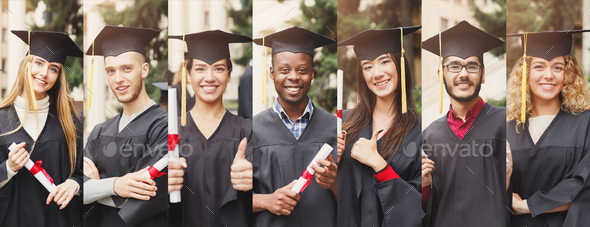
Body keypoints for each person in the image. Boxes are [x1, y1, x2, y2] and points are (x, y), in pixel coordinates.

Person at [421, 20, 507, 227]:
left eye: (472, 66)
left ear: (483, 74)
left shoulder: (506, 124)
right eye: (454, 66)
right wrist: (424, 186)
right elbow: (424, 207)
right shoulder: (429, 135)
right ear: (441, 75)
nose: (463, 74)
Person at [249, 26, 338, 226]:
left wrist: (335, 183)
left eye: (302, 70)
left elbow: (358, 201)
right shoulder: (252, 130)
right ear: (271, 73)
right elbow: (232, 200)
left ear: (312, 74)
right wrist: (266, 201)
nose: (294, 77)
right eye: (284, 70)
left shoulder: (335, 128)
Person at [336, 26, 422, 227]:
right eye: (368, 66)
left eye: (385, 62)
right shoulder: (343, 124)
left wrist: (378, 164)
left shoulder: (420, 130)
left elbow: (421, 204)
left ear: (400, 65)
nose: (377, 73)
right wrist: (333, 164)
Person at [82, 26, 168, 227]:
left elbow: (145, 196)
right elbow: (79, 188)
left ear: (144, 69)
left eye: (126, 68)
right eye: (111, 71)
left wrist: (96, 187)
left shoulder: (165, 127)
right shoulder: (98, 132)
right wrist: (115, 185)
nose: (118, 79)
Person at [167, 30, 253, 227]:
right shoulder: (170, 134)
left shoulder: (247, 132)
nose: (210, 77)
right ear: (187, 75)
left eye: (219, 69)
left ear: (229, 75)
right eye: (200, 69)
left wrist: (253, 181)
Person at [506, 30, 590, 226]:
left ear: (568, 75)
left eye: (558, 67)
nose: (549, 75)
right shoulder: (508, 130)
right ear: (525, 73)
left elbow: (585, 183)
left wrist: (527, 206)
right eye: (539, 66)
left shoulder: (585, 124)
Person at [0, 30, 83, 227]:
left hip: (58, 220)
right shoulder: (1, 118)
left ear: (59, 76)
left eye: (53, 68)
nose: (44, 73)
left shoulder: (70, 123)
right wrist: (9, 168)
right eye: (38, 63)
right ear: (26, 65)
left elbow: (83, 172)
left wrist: (75, 184)